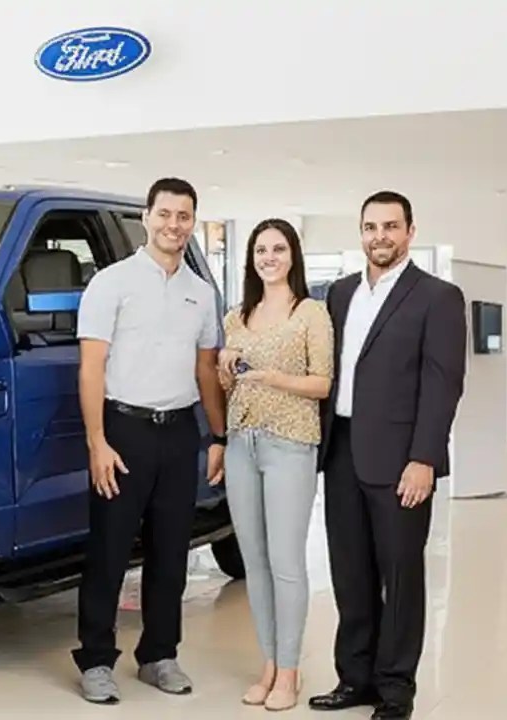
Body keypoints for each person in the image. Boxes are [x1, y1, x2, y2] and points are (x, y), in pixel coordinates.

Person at [308, 191, 466, 720]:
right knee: (349, 572)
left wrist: (425, 457)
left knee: (399, 575)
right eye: (371, 227)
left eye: (390, 226)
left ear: (410, 231)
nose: (380, 236)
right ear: (360, 233)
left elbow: (443, 385)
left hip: (401, 457)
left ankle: (396, 689)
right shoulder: (340, 293)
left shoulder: (438, 297)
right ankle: (356, 679)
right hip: (342, 450)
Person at [71, 177, 227, 704]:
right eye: (165, 214)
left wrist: (219, 435)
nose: (173, 225)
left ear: (192, 222)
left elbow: (207, 371)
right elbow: (91, 367)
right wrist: (97, 441)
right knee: (109, 552)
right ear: (147, 217)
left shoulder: (201, 294)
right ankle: (95, 660)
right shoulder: (111, 283)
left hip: (179, 432)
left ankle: (160, 655)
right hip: (123, 431)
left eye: (184, 216)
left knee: (170, 554)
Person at [216, 219, 334, 711]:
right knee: (256, 562)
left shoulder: (311, 312)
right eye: (261, 250)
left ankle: (290, 670)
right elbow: (230, 388)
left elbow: (322, 384)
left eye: (278, 249)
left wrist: (271, 376)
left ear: (293, 256)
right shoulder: (235, 316)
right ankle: (268, 663)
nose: (269, 257)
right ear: (251, 258)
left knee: (286, 564)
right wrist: (226, 368)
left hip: (291, 443)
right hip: (243, 443)